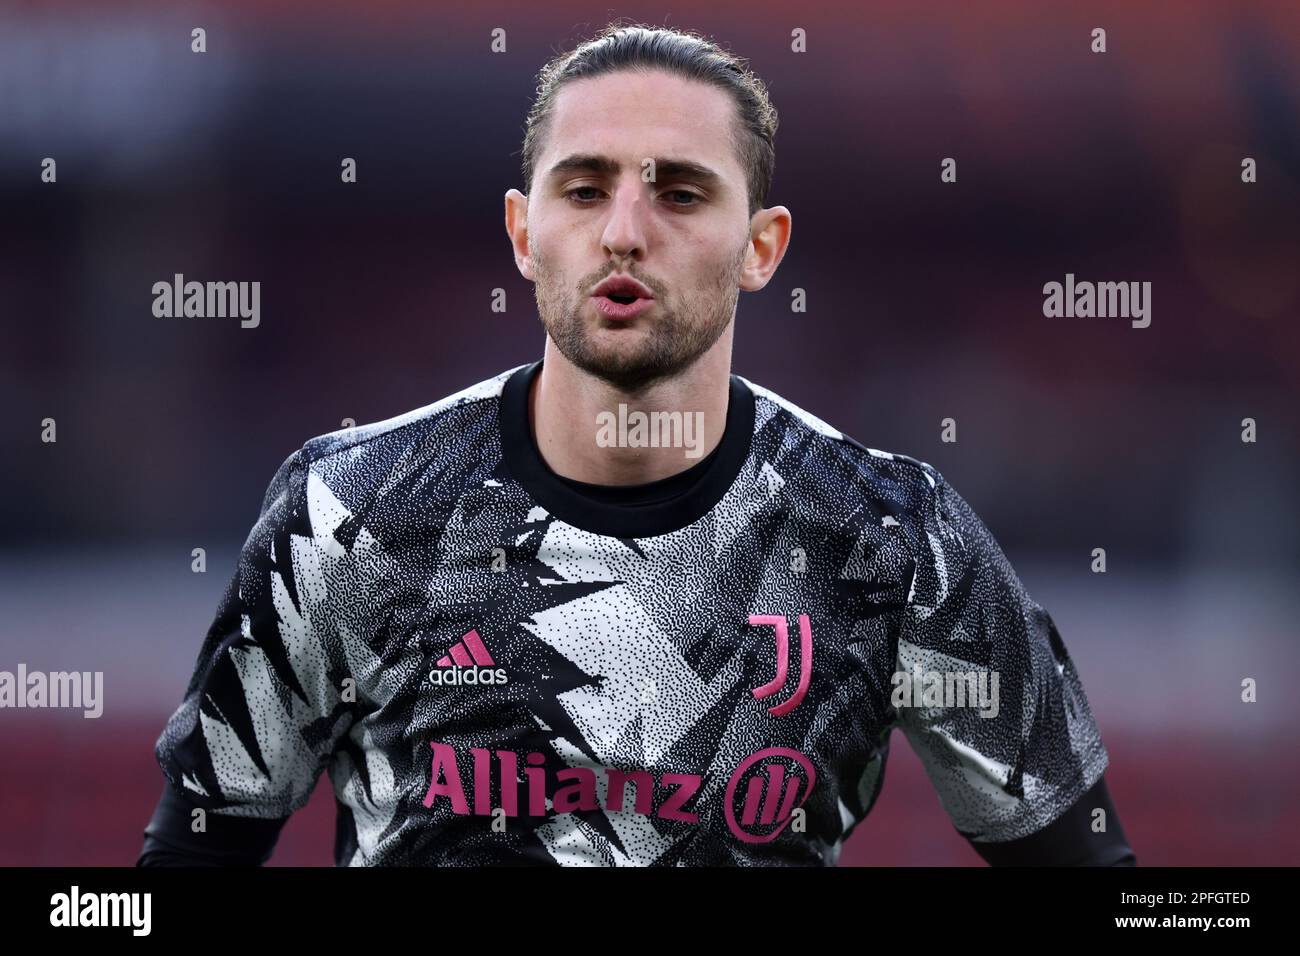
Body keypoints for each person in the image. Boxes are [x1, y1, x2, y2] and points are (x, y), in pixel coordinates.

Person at [138, 22, 1134, 866]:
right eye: (583, 188)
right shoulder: (346, 508)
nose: (624, 231)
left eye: (680, 193)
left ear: (761, 245)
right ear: (524, 234)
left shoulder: (891, 538)